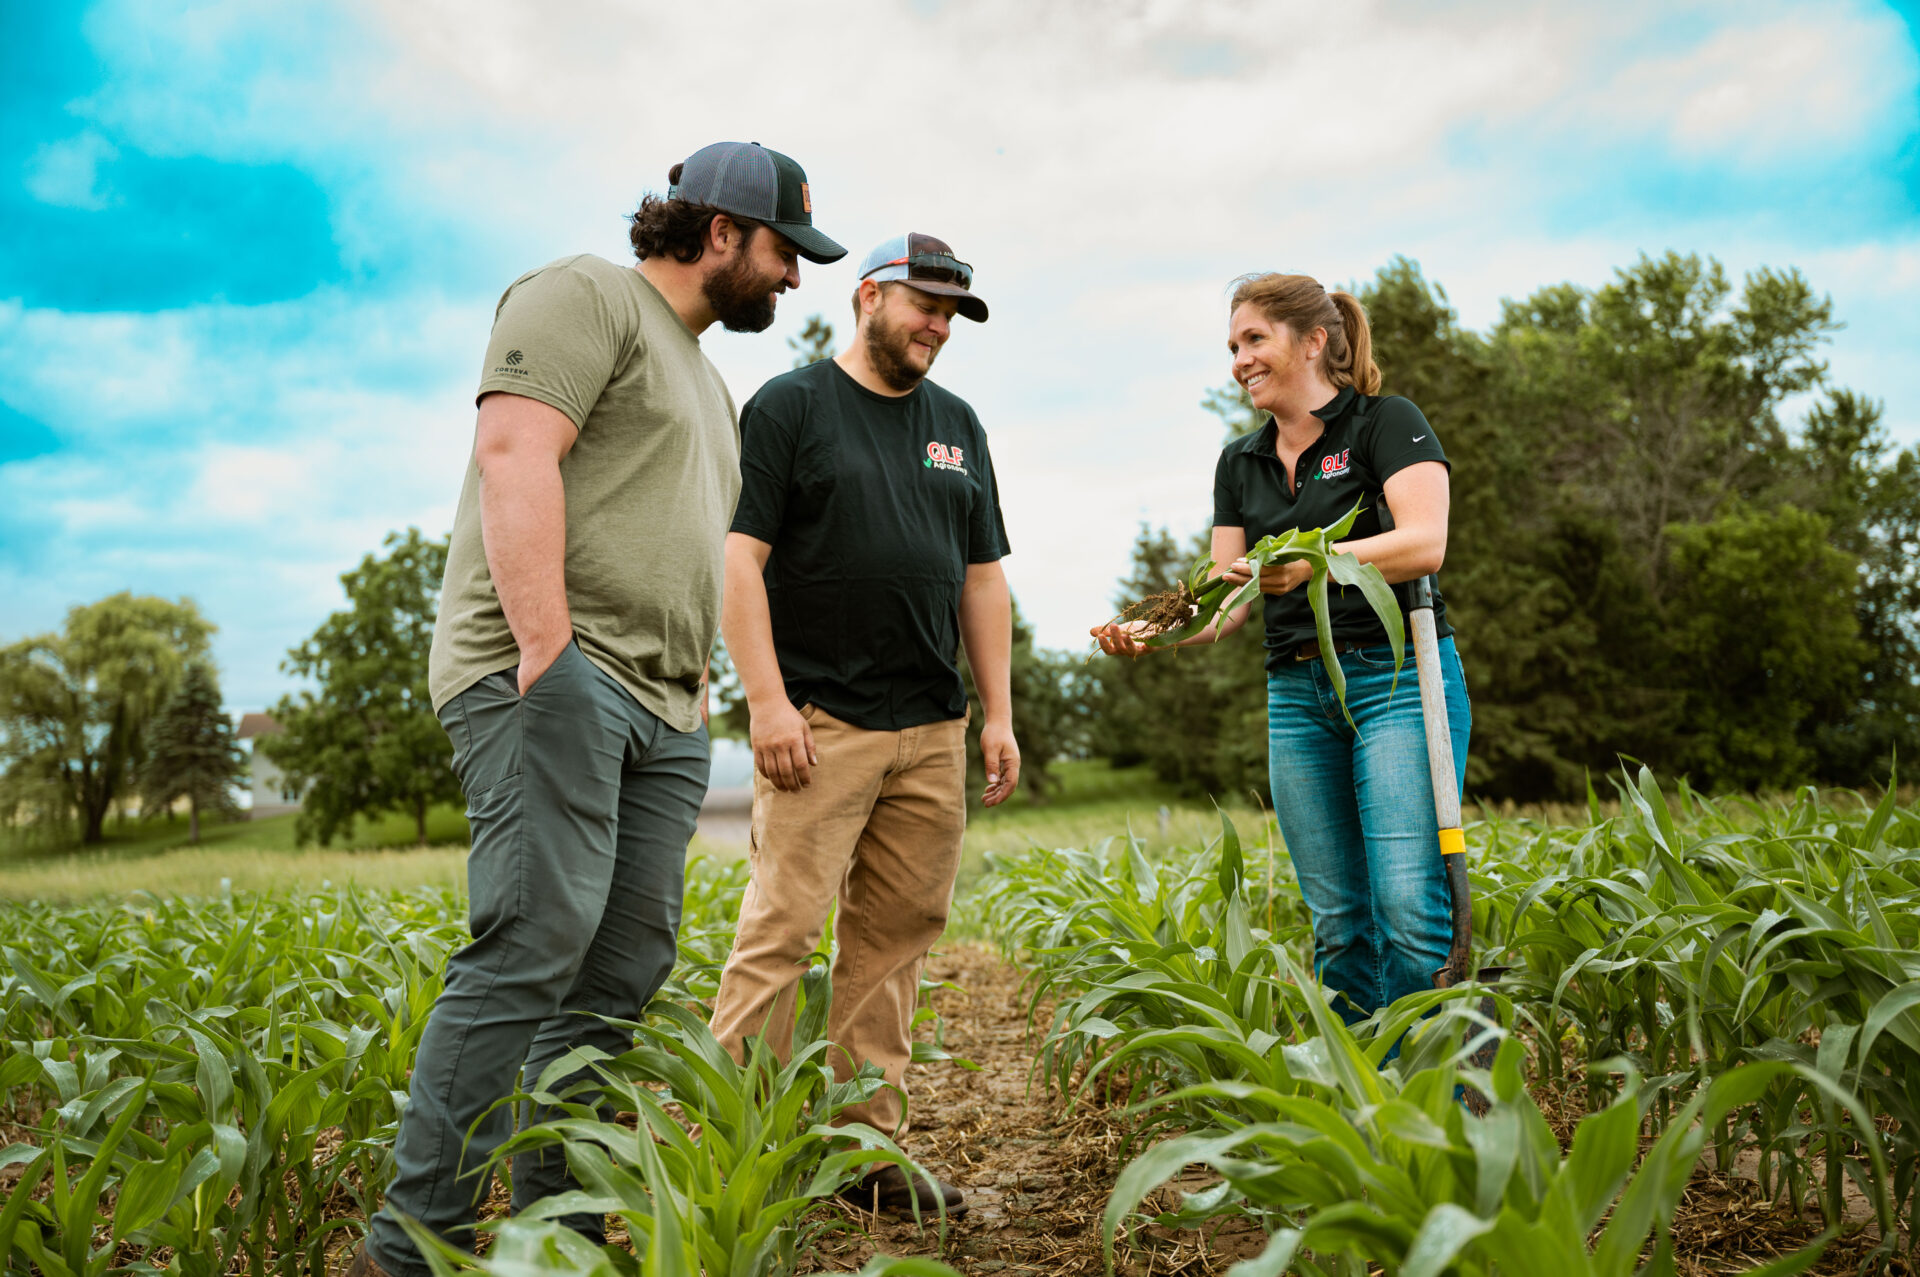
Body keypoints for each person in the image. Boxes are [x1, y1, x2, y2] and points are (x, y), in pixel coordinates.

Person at [349, 142, 845, 1277]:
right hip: (550, 676)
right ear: (719, 231)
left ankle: (555, 1233)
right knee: (533, 939)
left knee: (620, 965)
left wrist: (701, 687)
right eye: (783, 252)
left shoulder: (711, 389)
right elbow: (517, 450)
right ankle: (408, 1246)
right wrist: (547, 651)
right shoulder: (585, 295)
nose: (792, 278)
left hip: (664, 710)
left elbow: (685, 543)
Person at [706, 233, 1018, 1218]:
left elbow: (982, 577)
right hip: (820, 723)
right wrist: (763, 699)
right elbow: (739, 558)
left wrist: (997, 713)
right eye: (924, 304)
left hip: (930, 727)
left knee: (894, 940)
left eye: (952, 314)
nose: (937, 326)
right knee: (782, 932)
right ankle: (739, 1145)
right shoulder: (791, 407)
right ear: (869, 295)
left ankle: (864, 1150)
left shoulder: (957, 424)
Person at [1092, 273, 1470, 1029]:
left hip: (1394, 681)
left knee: (1404, 901)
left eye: (1254, 339)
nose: (1238, 360)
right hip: (1297, 698)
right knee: (1337, 917)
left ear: (1314, 341)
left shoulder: (1384, 423)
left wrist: (1319, 562)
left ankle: (1438, 1107)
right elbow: (1223, 599)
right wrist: (1154, 631)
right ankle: (1362, 1095)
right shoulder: (1240, 461)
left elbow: (1426, 542)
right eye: (1233, 346)